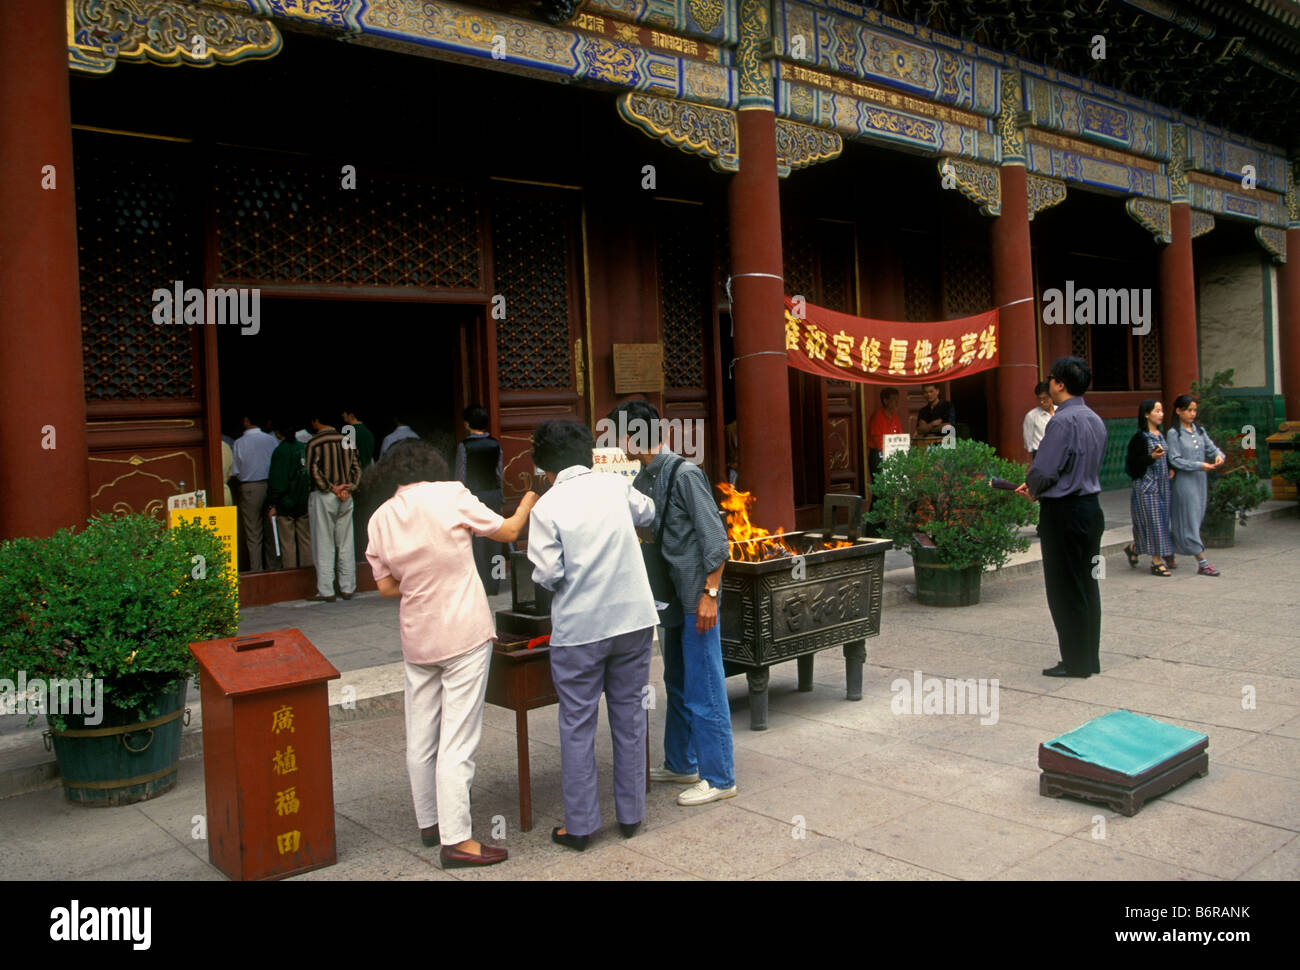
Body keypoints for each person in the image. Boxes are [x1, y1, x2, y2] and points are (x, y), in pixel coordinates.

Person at [363, 439, 538, 869]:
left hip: (418, 638)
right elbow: (509, 531)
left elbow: (386, 586)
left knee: (421, 737)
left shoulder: (380, 517)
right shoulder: (451, 496)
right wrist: (530, 498)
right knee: (457, 741)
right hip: (462, 632)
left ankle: (430, 822)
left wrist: (420, 578)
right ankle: (457, 839)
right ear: (433, 464)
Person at [526, 420, 659, 850]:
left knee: (578, 724)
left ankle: (581, 827)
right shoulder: (613, 486)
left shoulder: (546, 507)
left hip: (580, 629)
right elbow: (650, 512)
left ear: (545, 468)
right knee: (630, 715)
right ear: (589, 454)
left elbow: (547, 574)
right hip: (634, 619)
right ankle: (631, 815)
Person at [613, 399, 736, 807]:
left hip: (696, 598)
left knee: (704, 685)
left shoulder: (685, 474)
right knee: (677, 683)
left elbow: (717, 542)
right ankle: (681, 762)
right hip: (670, 599)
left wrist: (710, 595)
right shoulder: (645, 477)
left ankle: (719, 776)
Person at [1015, 357, 1106, 678]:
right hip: (1090, 508)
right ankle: (1088, 659)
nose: (1049, 384)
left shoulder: (1062, 421)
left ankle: (1075, 662)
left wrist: (1034, 487)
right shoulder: (1094, 419)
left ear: (1060, 384)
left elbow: (1045, 468)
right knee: (1086, 585)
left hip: (1063, 511)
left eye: (1051, 379)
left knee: (1064, 589)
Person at [305, 411, 362, 602]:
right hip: (346, 497)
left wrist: (331, 488)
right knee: (346, 541)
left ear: (316, 420)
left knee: (323, 542)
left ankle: (326, 590)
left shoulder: (315, 442)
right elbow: (357, 467)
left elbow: (313, 470)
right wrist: (349, 487)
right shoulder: (347, 439)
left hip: (324, 496)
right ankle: (347, 587)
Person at [1165, 394, 1224, 576]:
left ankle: (1166, 551)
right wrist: (1199, 465)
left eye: (1194, 410)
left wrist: (1218, 456)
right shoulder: (1174, 433)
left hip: (1200, 481)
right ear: (1178, 411)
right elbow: (1175, 459)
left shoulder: (1199, 430)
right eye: (1189, 410)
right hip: (1185, 481)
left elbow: (1212, 448)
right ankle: (1203, 562)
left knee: (1195, 518)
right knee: (1189, 520)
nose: (1192, 414)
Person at [455, 404, 505, 595]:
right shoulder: (495, 444)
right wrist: (501, 496)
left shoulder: (464, 446)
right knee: (495, 538)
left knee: (475, 541)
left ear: (467, 423)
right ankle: (495, 582)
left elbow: (461, 475)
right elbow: (499, 473)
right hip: (492, 493)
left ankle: (479, 583)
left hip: (473, 496)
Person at [1124, 400, 1173, 577]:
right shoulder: (1140, 438)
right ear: (1146, 414)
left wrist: (1170, 468)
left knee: (1162, 520)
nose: (1161, 414)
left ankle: (1134, 549)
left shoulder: (1161, 434)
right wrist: (1150, 457)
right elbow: (1133, 464)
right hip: (1146, 485)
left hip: (1162, 486)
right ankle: (1156, 561)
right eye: (1157, 411)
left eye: (1161, 411)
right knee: (1154, 523)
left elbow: (1165, 458)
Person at [231, 415, 280, 572]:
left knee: (253, 532)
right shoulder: (271, 440)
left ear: (246, 420)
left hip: (250, 488)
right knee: (271, 530)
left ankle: (256, 570)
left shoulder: (239, 443)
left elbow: (236, 470)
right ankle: (273, 568)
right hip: (270, 486)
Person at [267, 418, 312, 570]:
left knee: (287, 544)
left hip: (285, 504)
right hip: (304, 501)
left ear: (279, 433)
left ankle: (290, 576)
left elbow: (277, 482)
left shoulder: (280, 451)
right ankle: (308, 576)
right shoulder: (304, 448)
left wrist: (273, 503)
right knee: (306, 542)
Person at [867, 387, 905, 479]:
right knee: (880, 486)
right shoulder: (877, 417)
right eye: (894, 399)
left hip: (893, 453)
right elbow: (878, 440)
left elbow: (900, 436)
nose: (897, 402)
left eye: (897, 399)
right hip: (879, 454)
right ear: (885, 401)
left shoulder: (895, 416)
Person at [1022, 380, 1055, 458]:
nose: (1042, 402)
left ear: (1051, 396)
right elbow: (1028, 439)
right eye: (1039, 399)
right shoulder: (1032, 416)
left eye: (1045, 398)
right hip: (1040, 454)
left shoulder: (1060, 412)